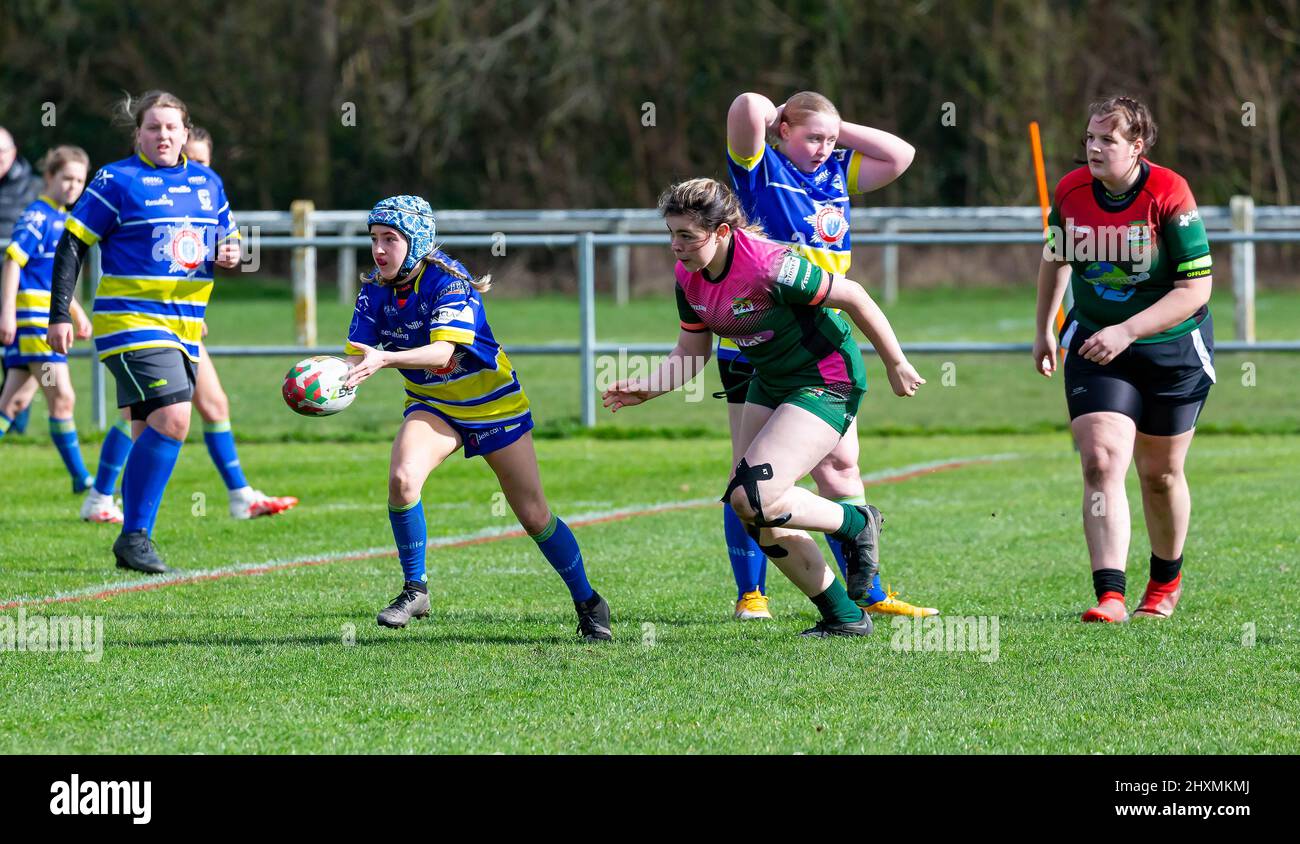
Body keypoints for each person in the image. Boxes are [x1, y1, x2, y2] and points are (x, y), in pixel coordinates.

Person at [603, 178, 925, 637]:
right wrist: (649, 388)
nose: (676, 247)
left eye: (687, 236)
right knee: (751, 509)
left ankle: (855, 523)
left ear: (722, 232)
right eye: (671, 234)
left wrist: (897, 363)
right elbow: (692, 350)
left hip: (827, 379)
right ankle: (844, 616)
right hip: (771, 382)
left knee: (753, 494)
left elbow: (853, 295)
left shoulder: (770, 267)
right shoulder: (688, 276)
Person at [342, 195, 612, 642]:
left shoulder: (449, 281)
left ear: (418, 240)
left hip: (495, 407)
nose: (379, 250)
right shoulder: (373, 291)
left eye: (391, 239)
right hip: (434, 406)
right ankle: (415, 588)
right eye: (374, 239)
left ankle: (587, 600)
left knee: (533, 515)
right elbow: (360, 354)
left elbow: (442, 353)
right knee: (403, 479)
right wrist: (326, 379)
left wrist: (386, 360)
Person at [721, 90, 937, 619]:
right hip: (757, 339)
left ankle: (869, 591)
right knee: (749, 473)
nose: (822, 148)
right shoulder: (759, 168)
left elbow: (901, 155)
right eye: (812, 137)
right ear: (784, 130)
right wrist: (777, 119)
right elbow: (747, 105)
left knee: (841, 467)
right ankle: (753, 594)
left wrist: (833, 128)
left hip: (822, 338)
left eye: (829, 140)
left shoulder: (838, 170)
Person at [1033, 95, 1215, 622]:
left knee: (1159, 475)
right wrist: (1044, 327)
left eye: (1106, 140)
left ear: (1136, 147)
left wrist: (1129, 330)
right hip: (1096, 347)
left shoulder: (1169, 192)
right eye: (1089, 137)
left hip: (1171, 350)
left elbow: (1195, 289)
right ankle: (1110, 594)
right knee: (1101, 460)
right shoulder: (1071, 191)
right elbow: (1055, 256)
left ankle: (1164, 583)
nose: (1093, 147)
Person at [46, 90, 241, 573]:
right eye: (153, 127)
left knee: (147, 427)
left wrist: (232, 254)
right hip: (130, 320)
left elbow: (228, 241)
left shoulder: (208, 182)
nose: (163, 136)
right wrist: (58, 314)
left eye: (171, 127)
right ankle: (133, 536)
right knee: (176, 419)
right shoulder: (116, 179)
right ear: (139, 134)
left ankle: (131, 537)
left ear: (185, 131)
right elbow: (72, 244)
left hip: (185, 329)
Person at [79, 126, 298, 522]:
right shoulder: (141, 191)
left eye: (201, 162)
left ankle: (238, 495)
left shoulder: (207, 193)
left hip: (186, 327)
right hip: (144, 324)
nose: (192, 169)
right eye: (190, 159)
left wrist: (235, 254)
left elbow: (230, 256)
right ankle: (102, 498)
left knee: (212, 406)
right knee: (143, 416)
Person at [0, 145, 97, 494]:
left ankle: (80, 478)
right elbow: (13, 261)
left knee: (13, 402)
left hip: (41, 319)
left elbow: (55, 278)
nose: (73, 186)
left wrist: (77, 312)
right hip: (35, 322)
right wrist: (7, 313)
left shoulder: (62, 218)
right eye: (66, 178)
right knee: (63, 398)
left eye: (79, 181)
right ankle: (81, 478)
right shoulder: (39, 216)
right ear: (49, 177)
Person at [0, 126, 45, 436]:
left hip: (23, 296)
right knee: (61, 396)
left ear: (13, 153)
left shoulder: (35, 191)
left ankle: (17, 432)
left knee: (21, 370)